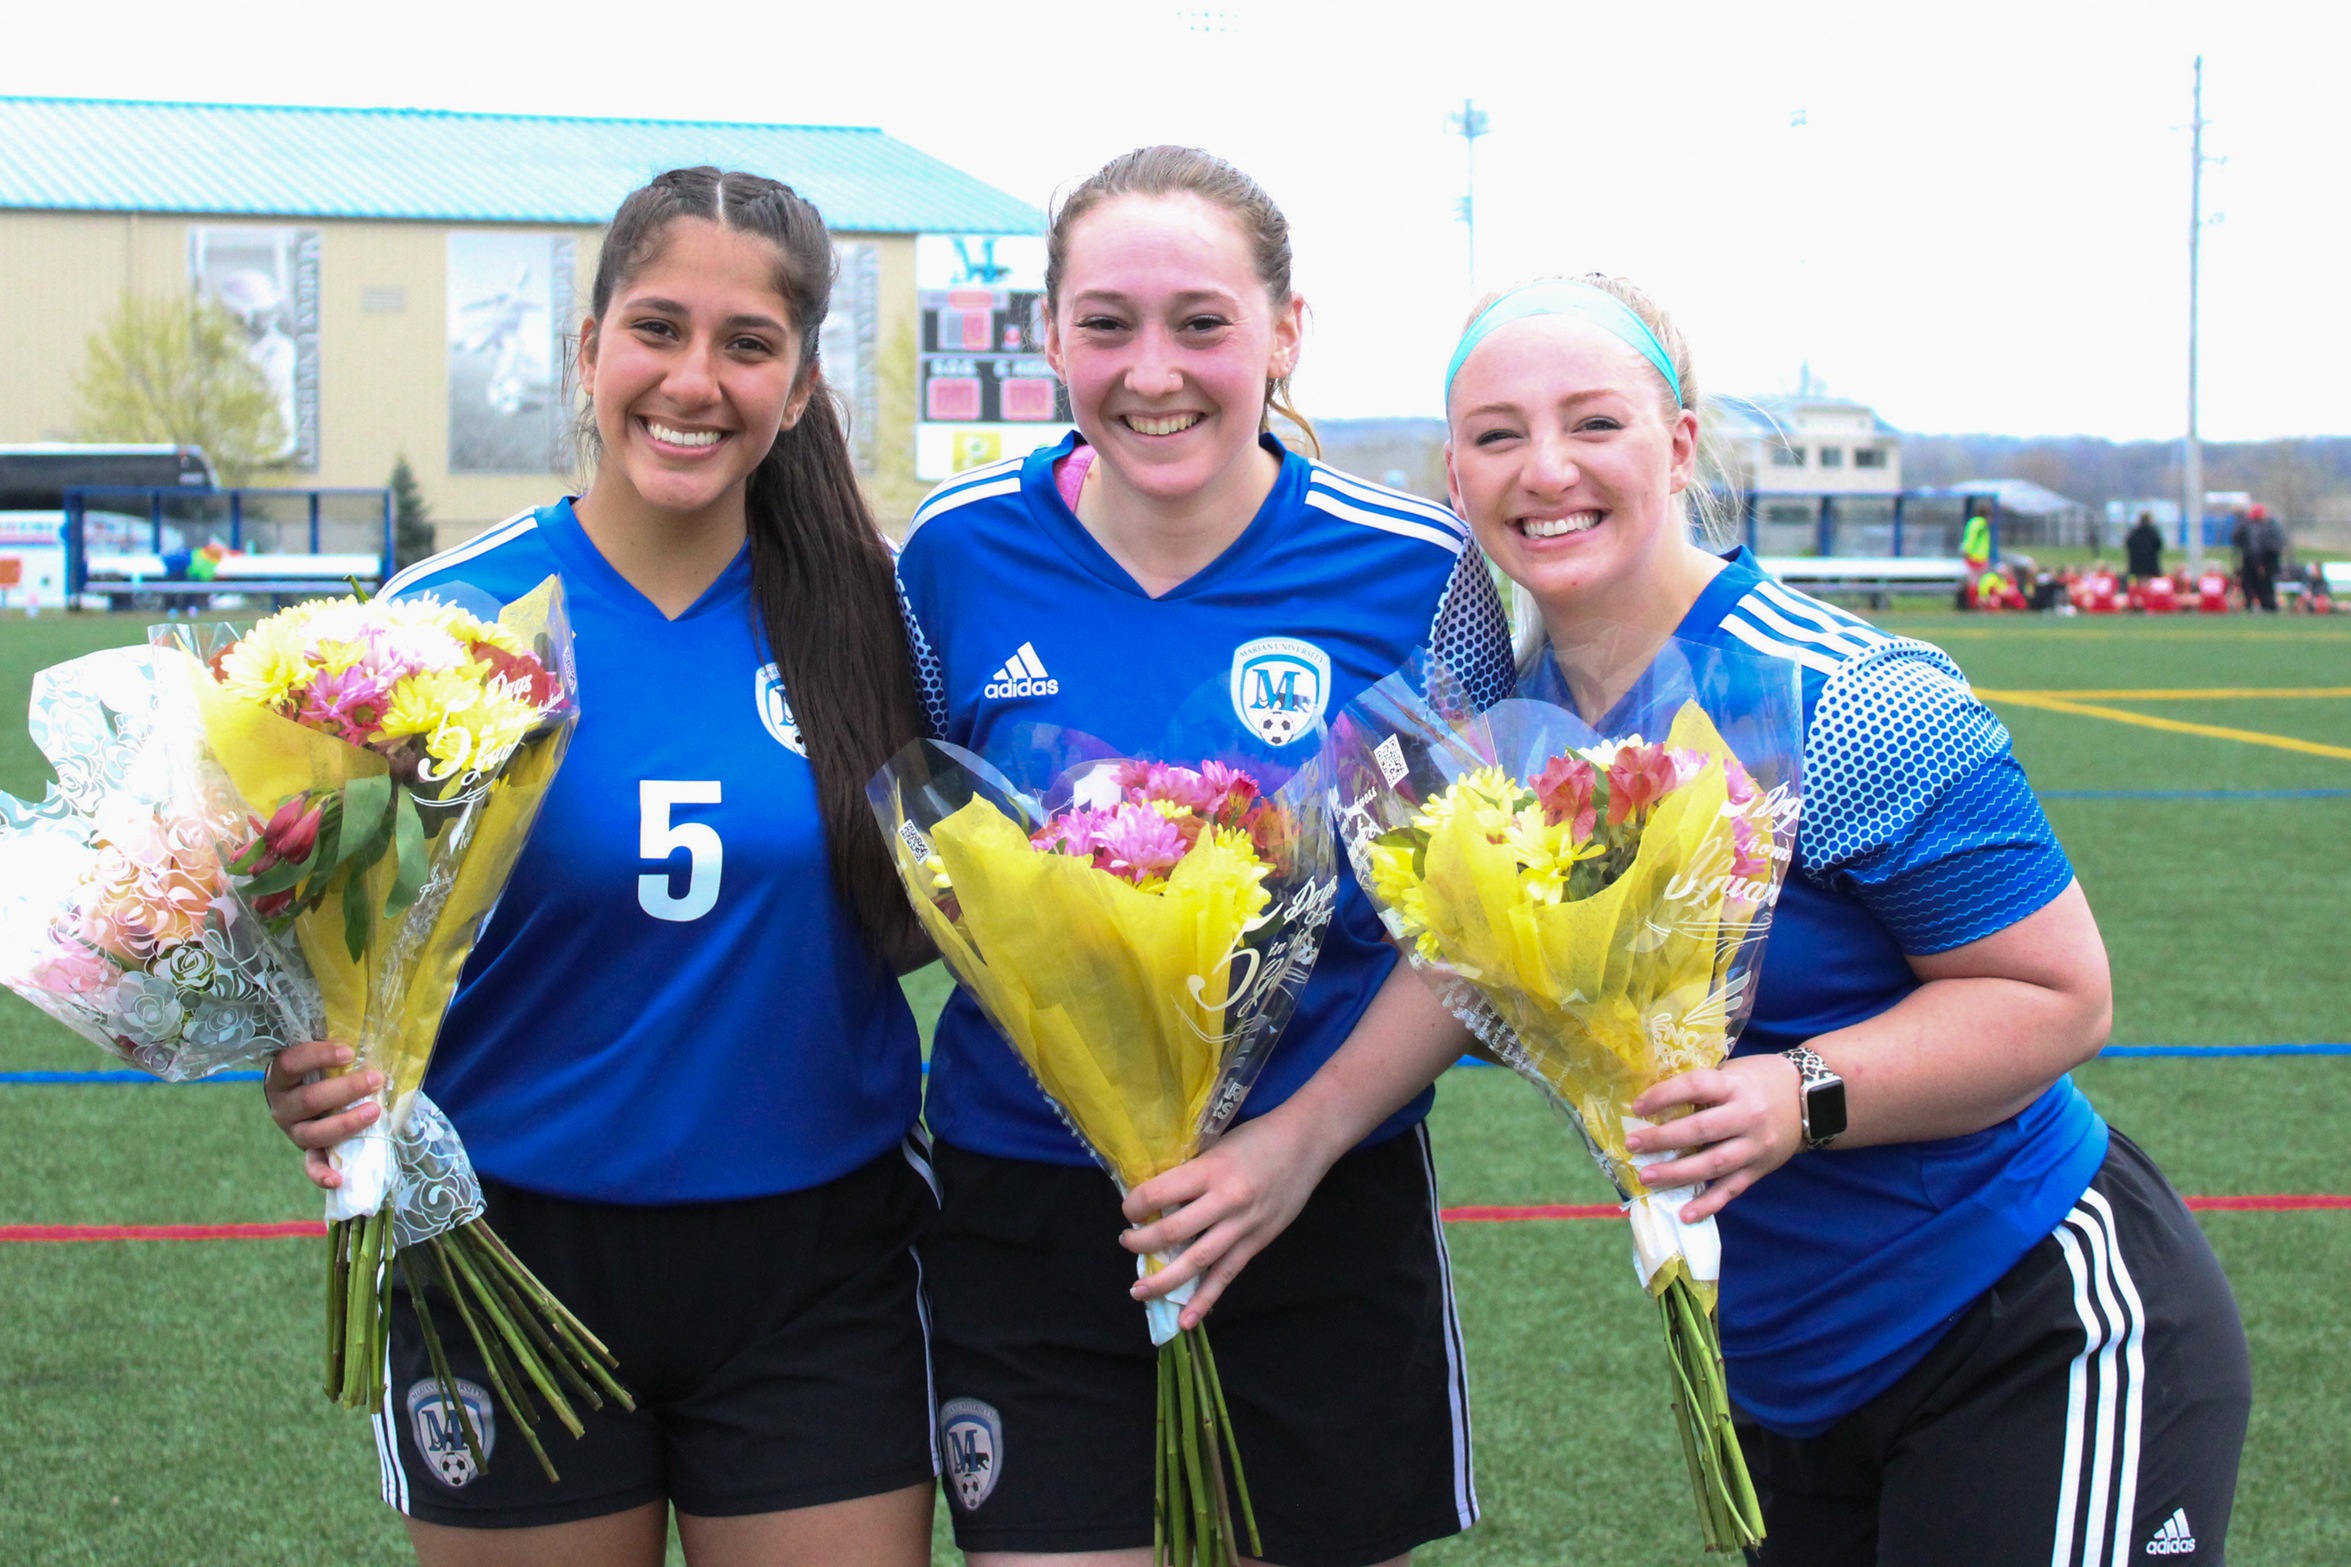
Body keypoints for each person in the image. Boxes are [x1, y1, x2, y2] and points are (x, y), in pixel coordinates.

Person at [1426, 274, 2250, 1566]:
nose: (1544, 468)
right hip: (1783, 1365)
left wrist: (1792, 1093)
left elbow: (2056, 996)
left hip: (2026, 1316)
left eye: (1593, 422)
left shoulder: (1844, 693)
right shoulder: (1492, 740)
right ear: (1453, 472)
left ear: (1679, 442)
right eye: (1493, 433)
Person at [264, 168, 940, 1567]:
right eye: (656, 329)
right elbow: (308, 914)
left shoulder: (882, 619)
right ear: (588, 351)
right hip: (509, 1252)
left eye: (747, 344)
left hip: (819, 1266)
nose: (694, 380)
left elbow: (958, 904)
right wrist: (309, 1049)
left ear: (799, 386)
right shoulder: (439, 625)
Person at [894, 145, 1513, 1566]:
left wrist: (1299, 1137)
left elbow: (1475, 924)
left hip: (1317, 1192)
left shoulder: (1413, 569)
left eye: (1200, 321)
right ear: (1048, 335)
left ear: (1285, 331)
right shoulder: (954, 553)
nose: (1149, 369)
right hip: (1031, 1200)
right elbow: (915, 856)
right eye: (1104, 323)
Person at [2236, 503, 2283, 612]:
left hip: (2266, 560)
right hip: (2253, 560)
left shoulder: (2269, 526)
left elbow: (2274, 544)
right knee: (2251, 584)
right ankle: (2254, 604)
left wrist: (2262, 561)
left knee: (2264, 584)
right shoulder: (2249, 526)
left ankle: (2267, 605)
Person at [2125, 510, 2164, 583]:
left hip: (2136, 564)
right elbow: (2159, 545)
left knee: (2138, 582)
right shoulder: (2153, 532)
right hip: (2151, 564)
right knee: (2151, 584)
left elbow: (2128, 544)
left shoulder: (2134, 532)